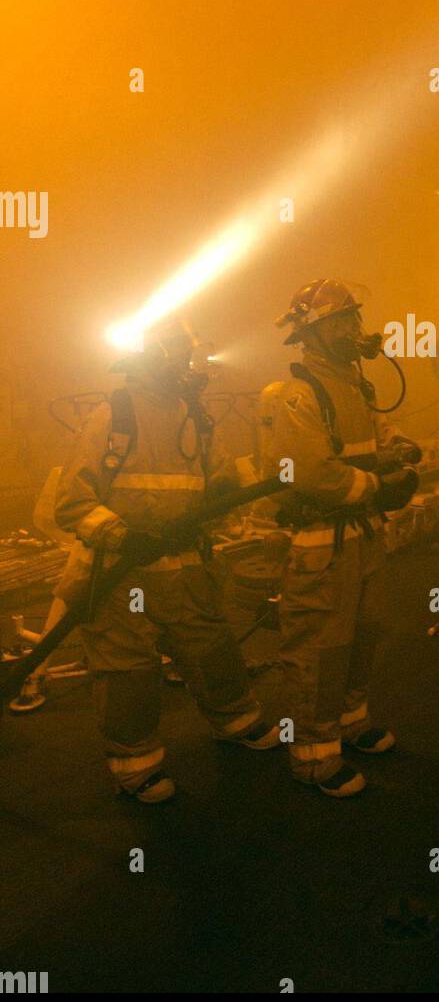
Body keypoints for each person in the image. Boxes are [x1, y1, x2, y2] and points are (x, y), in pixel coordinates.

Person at [53, 319, 279, 804]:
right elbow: (71, 502)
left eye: (187, 354)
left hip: (184, 567)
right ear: (153, 356)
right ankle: (136, 766)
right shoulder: (112, 415)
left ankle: (235, 720)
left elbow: (219, 480)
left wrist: (239, 492)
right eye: (176, 354)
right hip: (118, 576)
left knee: (210, 645)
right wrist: (120, 534)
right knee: (129, 669)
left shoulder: (194, 415)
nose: (184, 364)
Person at [258, 279, 420, 798]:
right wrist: (378, 484)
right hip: (320, 545)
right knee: (320, 649)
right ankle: (312, 754)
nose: (354, 329)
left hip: (365, 536)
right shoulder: (298, 395)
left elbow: (377, 434)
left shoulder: (353, 384)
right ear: (313, 332)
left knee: (364, 634)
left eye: (354, 318)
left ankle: (351, 722)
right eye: (341, 321)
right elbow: (311, 473)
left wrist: (400, 450)